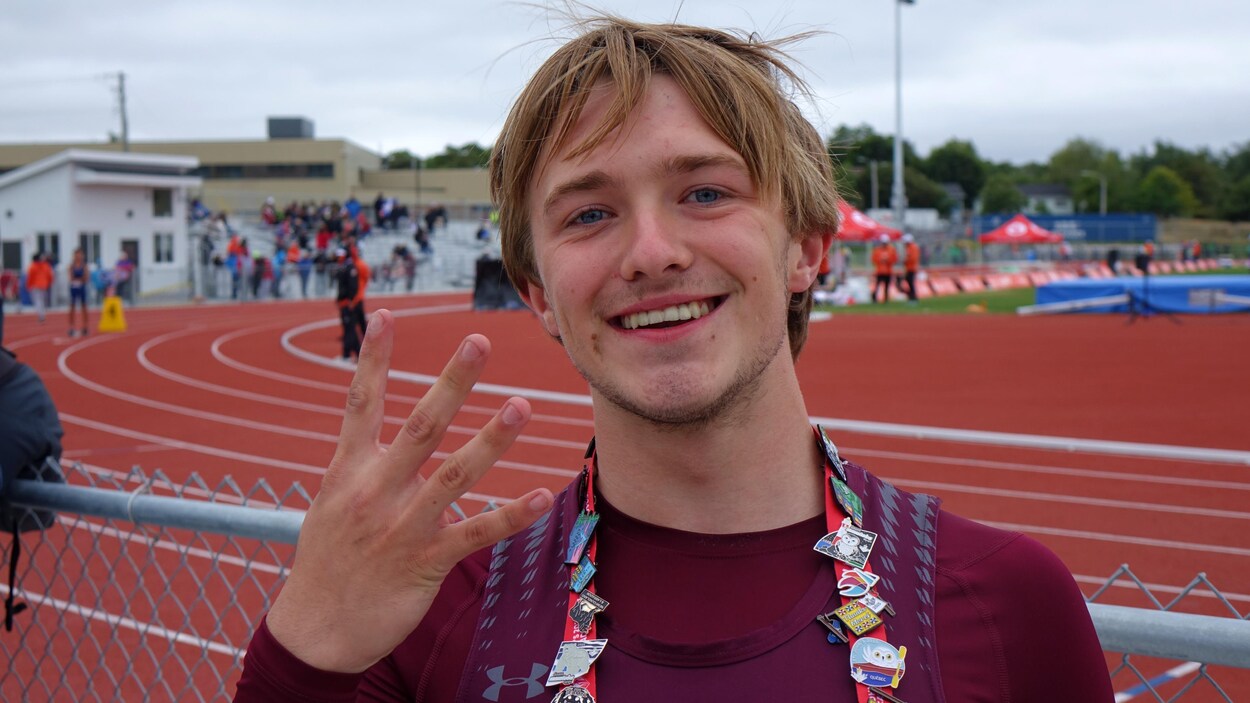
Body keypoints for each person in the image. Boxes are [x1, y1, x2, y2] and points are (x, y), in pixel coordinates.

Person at [234, 16, 1113, 703]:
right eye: (588, 213)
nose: (651, 251)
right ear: (538, 292)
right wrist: (305, 650)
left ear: (807, 246)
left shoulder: (1012, 605)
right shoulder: (421, 619)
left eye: (704, 192)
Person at [333, 247, 361, 361]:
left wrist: (350, 301)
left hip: (348, 303)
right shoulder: (344, 268)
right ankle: (354, 352)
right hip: (344, 303)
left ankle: (348, 354)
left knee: (349, 329)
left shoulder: (350, 268)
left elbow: (353, 287)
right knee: (349, 329)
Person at [24, 253, 53, 323]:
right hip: (44, 285)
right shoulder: (46, 265)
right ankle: (42, 313)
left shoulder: (32, 266)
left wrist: (28, 286)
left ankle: (41, 315)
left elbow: (30, 277)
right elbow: (50, 275)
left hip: (35, 286)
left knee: (38, 301)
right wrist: (49, 283)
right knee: (43, 300)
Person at [67, 248, 90, 337]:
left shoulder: (84, 266)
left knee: (84, 307)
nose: (78, 256)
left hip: (82, 288)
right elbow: (71, 277)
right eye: (77, 254)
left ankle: (85, 327)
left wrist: (80, 279)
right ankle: (71, 327)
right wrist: (79, 279)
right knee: (72, 307)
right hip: (73, 288)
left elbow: (86, 277)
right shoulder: (71, 266)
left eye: (80, 254)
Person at [871, 234, 897, 304]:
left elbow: (894, 259)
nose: (884, 244)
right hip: (880, 271)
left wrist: (887, 261)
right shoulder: (877, 250)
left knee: (887, 286)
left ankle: (886, 299)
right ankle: (874, 298)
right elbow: (874, 259)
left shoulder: (891, 249)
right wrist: (880, 260)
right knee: (877, 285)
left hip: (888, 271)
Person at [901, 233, 921, 302]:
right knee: (909, 283)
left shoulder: (912, 247)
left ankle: (913, 297)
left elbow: (912, 258)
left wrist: (906, 261)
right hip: (909, 268)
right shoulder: (910, 247)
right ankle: (911, 297)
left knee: (911, 283)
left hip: (911, 268)